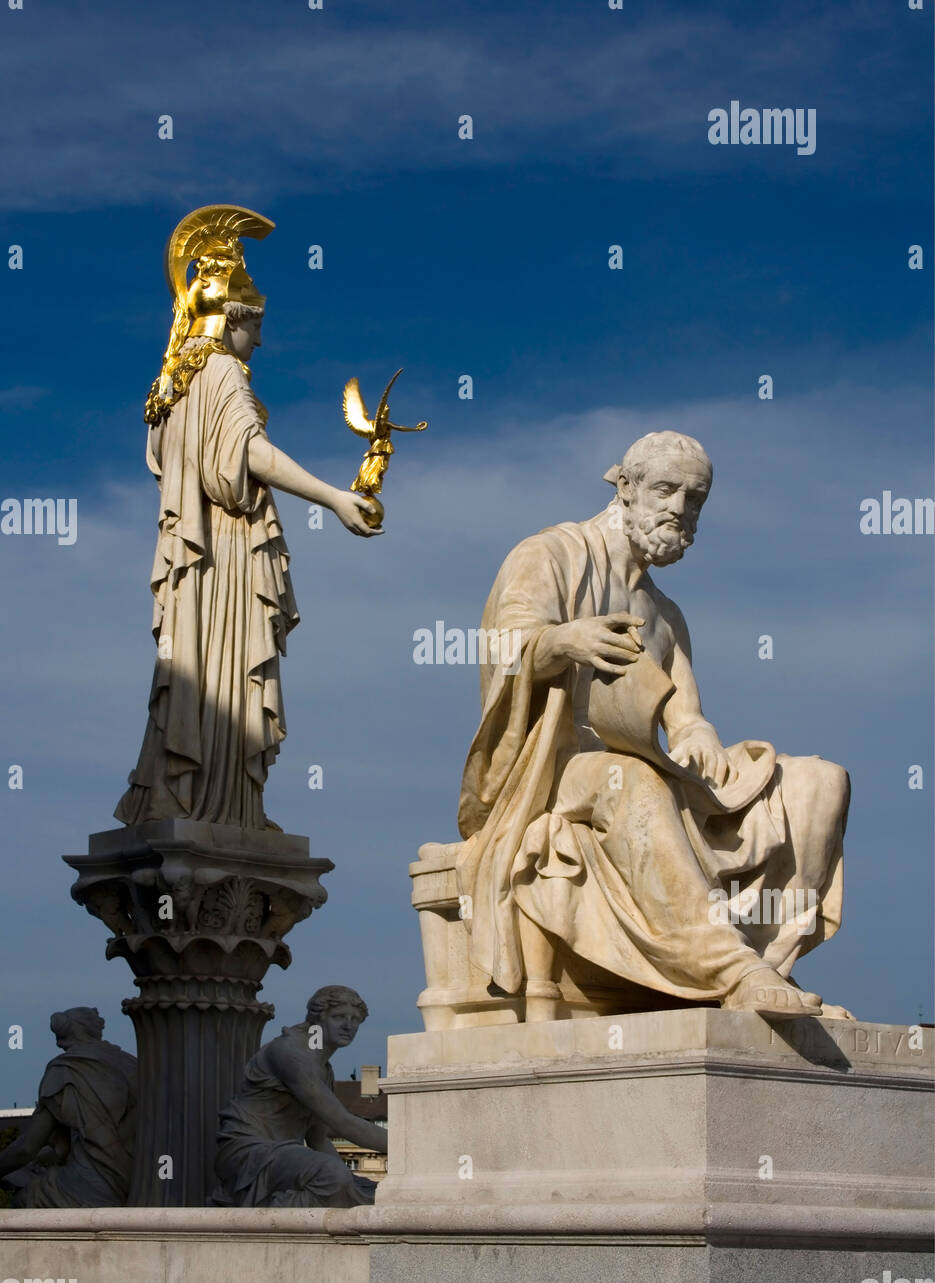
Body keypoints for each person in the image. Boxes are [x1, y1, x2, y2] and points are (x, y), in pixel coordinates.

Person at [458, 430, 851, 1020]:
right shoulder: (550, 555)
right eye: (666, 490)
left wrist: (698, 738)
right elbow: (503, 647)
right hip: (549, 771)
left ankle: (770, 963)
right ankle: (731, 969)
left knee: (820, 781)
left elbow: (686, 718)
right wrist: (564, 640)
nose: (679, 509)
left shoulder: (664, 616)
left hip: (645, 764)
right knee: (630, 781)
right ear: (624, 486)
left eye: (695, 498)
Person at [115, 205, 378, 830]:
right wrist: (337, 498)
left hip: (191, 565)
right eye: (255, 325)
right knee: (225, 677)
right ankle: (223, 807)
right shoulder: (223, 372)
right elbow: (250, 454)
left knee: (195, 675)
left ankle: (180, 793)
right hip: (224, 556)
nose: (259, 339)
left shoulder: (172, 387)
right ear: (231, 319)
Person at [212, 986, 388, 1207]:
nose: (348, 1025)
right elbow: (343, 1123)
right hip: (249, 1153)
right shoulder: (290, 1052)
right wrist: (411, 1146)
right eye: (339, 1017)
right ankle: (273, 1210)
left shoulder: (325, 1070)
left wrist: (349, 1181)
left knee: (375, 1192)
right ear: (317, 1018)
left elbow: (318, 1139)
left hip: (284, 1159)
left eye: (355, 1019)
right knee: (333, 1177)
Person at [0, 1008, 137, 1207]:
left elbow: (26, 1148)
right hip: (133, 1182)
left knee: (25, 1200)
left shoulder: (64, 1070)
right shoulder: (130, 1063)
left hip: (89, 1184)